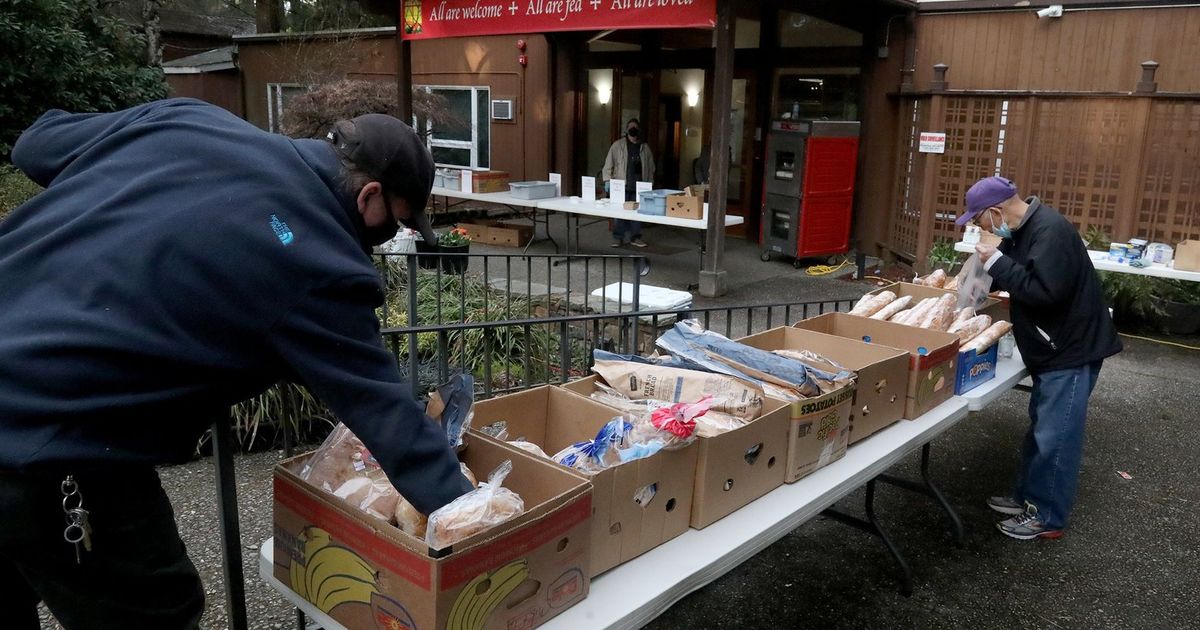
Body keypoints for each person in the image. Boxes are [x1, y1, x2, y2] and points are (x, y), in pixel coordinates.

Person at [0, 98, 474, 628]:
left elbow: (36, 143)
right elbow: (388, 416)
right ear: (369, 197)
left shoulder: (189, 119)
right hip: (47, 443)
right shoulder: (318, 262)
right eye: (399, 221)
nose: (390, 236)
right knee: (153, 614)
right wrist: (476, 517)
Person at [955, 176, 1122, 541]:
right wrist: (983, 277)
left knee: (1056, 437)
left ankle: (1046, 517)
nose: (979, 228)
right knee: (1042, 430)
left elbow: (1045, 292)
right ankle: (1026, 498)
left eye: (978, 220)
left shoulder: (1051, 232)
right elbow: (1019, 275)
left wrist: (997, 261)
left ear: (995, 211)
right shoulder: (1023, 229)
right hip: (1052, 348)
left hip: (1069, 349)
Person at [601, 117, 655, 248]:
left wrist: (650, 184)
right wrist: (607, 180)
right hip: (622, 185)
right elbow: (608, 164)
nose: (633, 130)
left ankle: (635, 237)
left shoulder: (645, 148)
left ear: (639, 130)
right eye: (630, 127)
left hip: (639, 186)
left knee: (637, 213)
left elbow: (651, 167)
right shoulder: (617, 145)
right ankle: (618, 238)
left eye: (635, 128)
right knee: (619, 213)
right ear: (626, 130)